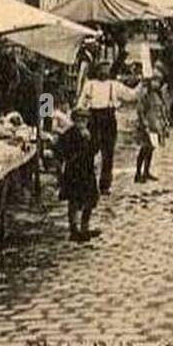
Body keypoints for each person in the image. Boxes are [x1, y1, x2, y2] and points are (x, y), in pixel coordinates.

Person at [76, 61, 136, 195]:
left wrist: (144, 85)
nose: (104, 72)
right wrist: (81, 121)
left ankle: (105, 185)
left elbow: (131, 95)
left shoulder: (114, 85)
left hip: (108, 119)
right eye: (102, 69)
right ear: (96, 71)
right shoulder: (89, 85)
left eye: (107, 69)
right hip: (94, 119)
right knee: (89, 152)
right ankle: (88, 182)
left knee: (108, 154)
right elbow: (81, 104)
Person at [56, 108, 99, 241]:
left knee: (89, 201)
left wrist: (89, 139)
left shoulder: (91, 134)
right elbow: (60, 151)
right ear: (74, 121)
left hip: (87, 172)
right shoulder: (69, 134)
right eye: (79, 120)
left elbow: (96, 149)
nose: (82, 123)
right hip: (73, 173)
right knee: (73, 201)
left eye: (84, 120)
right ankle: (73, 229)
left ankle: (84, 227)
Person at [134, 73, 167, 183]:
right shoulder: (145, 95)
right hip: (147, 125)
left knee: (151, 149)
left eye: (158, 81)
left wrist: (164, 123)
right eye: (155, 81)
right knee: (144, 149)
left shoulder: (158, 94)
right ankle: (138, 173)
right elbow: (141, 111)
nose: (157, 83)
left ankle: (146, 172)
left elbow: (161, 109)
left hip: (155, 125)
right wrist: (145, 125)